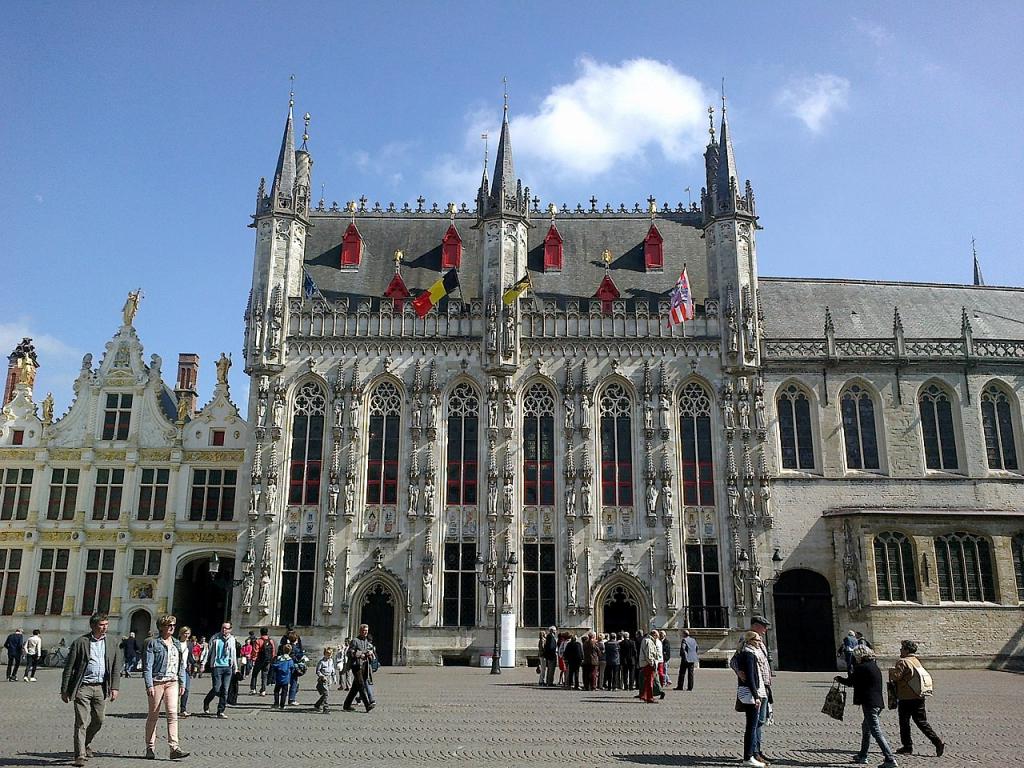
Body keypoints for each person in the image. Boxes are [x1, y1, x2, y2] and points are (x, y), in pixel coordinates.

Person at [60, 613, 121, 768]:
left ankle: (86, 742)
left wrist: (115, 687)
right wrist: (65, 689)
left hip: (101, 687)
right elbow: (69, 667)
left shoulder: (113, 642)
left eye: (106, 624)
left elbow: (115, 667)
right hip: (83, 687)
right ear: (93, 626)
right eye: (102, 624)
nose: (105, 627)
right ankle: (79, 755)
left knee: (99, 720)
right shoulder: (81, 642)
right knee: (81, 721)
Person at [835, 645, 899, 767]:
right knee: (866, 728)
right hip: (877, 702)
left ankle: (890, 759)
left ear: (859, 656)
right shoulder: (873, 665)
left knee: (875, 730)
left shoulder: (861, 668)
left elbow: (851, 682)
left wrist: (840, 678)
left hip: (869, 703)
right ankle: (862, 755)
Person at [142, 615, 190, 760]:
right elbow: (147, 666)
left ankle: (174, 748)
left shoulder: (176, 643)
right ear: (161, 627)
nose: (172, 628)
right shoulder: (153, 644)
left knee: (172, 714)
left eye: (173, 625)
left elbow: (181, 665)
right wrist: (149, 684)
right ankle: (150, 747)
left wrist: (183, 682)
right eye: (169, 625)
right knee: (153, 715)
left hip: (172, 681)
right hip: (157, 682)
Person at [889, 640, 944, 757]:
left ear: (907, 650)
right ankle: (937, 741)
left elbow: (896, 677)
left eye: (902, 648)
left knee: (904, 723)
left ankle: (907, 746)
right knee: (921, 722)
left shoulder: (903, 662)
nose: (900, 650)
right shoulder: (916, 661)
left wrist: (891, 671)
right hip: (918, 695)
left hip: (906, 697)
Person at [735, 631, 768, 767]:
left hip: (755, 692)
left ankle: (751, 755)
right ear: (750, 641)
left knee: (753, 725)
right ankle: (748, 757)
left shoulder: (749, 653)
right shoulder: (749, 654)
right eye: (758, 640)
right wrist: (756, 696)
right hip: (752, 694)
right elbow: (751, 677)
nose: (760, 642)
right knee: (752, 726)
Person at [201, 622, 237, 718]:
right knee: (216, 688)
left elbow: (233, 653)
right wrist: (203, 664)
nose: (224, 630)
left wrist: (235, 667)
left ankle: (220, 711)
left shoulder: (232, 639)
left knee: (225, 689)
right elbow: (208, 651)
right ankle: (206, 701)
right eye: (223, 628)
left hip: (228, 667)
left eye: (226, 628)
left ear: (230, 629)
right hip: (217, 666)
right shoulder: (215, 638)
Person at [343, 624, 377, 712]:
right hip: (356, 665)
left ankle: (347, 705)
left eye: (366, 630)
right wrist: (359, 654)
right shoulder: (355, 640)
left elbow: (367, 651)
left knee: (355, 687)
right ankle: (367, 705)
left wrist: (368, 654)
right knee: (361, 684)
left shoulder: (366, 641)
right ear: (360, 631)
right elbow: (349, 652)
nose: (365, 632)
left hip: (365, 665)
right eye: (363, 630)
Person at [639, 627, 661, 703]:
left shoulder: (645, 640)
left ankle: (644, 695)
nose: (657, 638)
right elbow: (649, 654)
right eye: (657, 637)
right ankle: (650, 697)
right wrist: (652, 663)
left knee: (646, 681)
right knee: (649, 681)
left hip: (645, 663)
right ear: (654, 635)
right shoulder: (649, 641)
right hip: (648, 664)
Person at [250, 627, 274, 695]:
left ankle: (253, 689)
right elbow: (273, 650)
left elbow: (255, 651)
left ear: (260, 632)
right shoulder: (271, 641)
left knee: (254, 674)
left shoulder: (258, 641)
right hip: (267, 660)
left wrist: (253, 659)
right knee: (264, 675)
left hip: (259, 660)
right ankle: (263, 690)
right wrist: (271, 658)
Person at [271, 643, 295, 710]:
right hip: (286, 678)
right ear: (290, 651)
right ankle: (282, 705)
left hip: (278, 677)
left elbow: (275, 666)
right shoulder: (290, 660)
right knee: (284, 692)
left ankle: (276, 703)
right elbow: (292, 668)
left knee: (276, 691)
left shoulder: (279, 658)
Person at [176, 626, 193, 718]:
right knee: (175, 690)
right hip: (175, 670)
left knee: (186, 690)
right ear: (181, 633)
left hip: (185, 670)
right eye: (185, 633)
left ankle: (183, 709)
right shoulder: (175, 643)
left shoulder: (189, 644)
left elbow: (190, 657)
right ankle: (172, 708)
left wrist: (195, 665)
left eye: (188, 634)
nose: (186, 635)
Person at [314, 647, 336, 712]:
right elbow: (318, 671)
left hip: (329, 679)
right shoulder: (321, 662)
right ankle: (326, 707)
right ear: (324, 654)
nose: (329, 656)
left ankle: (317, 704)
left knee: (325, 694)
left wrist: (334, 678)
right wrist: (322, 676)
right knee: (326, 693)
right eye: (328, 654)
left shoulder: (331, 661)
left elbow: (333, 670)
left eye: (330, 654)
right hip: (323, 679)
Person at [286, 630, 305, 705]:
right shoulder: (295, 648)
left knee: (289, 683)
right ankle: (291, 699)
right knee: (294, 683)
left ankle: (287, 697)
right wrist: (302, 655)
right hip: (294, 667)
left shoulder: (288, 646)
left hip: (288, 666)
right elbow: (297, 657)